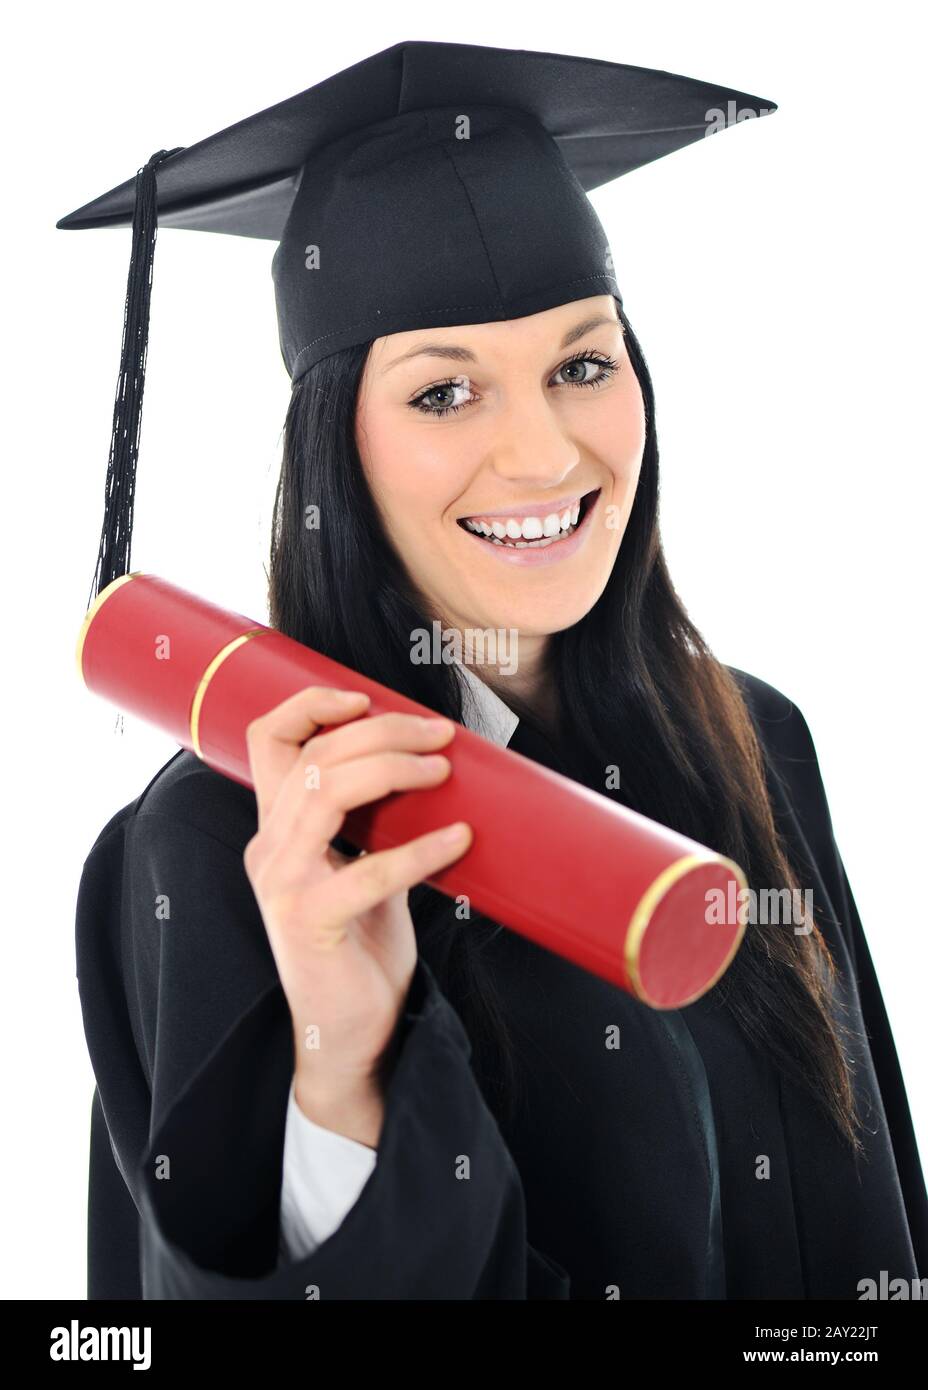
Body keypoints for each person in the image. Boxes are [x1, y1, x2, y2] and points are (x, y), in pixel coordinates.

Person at [63, 41, 927, 1299]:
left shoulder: (751, 736)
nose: (541, 455)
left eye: (582, 365)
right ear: (335, 448)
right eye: (444, 393)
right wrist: (341, 1080)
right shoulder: (235, 843)